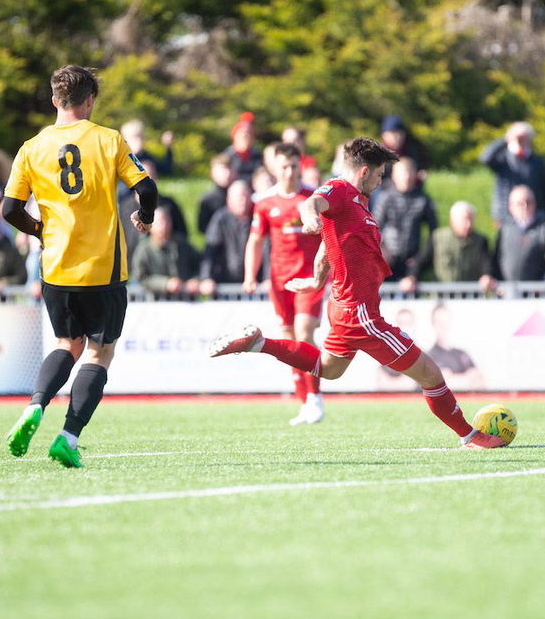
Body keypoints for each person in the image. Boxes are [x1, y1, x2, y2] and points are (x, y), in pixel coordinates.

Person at [209, 136, 506, 449]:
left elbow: (328, 244)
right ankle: (470, 435)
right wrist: (310, 218)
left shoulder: (357, 202)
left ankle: (259, 343)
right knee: (430, 374)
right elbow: (311, 204)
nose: (380, 182)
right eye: (379, 175)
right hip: (360, 314)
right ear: (364, 172)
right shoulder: (339, 189)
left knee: (328, 369)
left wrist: (316, 279)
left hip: (345, 307)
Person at [1, 64, 158, 468]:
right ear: (90, 101)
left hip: (57, 266)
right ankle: (68, 436)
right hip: (103, 267)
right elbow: (146, 187)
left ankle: (36, 405)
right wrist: (146, 218)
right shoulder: (108, 139)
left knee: (66, 344)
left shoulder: (31, 147)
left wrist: (39, 231)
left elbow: (9, 209)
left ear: (55, 100)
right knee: (99, 352)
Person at [243, 143, 325, 425]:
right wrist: (250, 276)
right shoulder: (265, 202)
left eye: (293, 166)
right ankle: (303, 401)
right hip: (280, 282)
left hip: (310, 279)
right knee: (289, 340)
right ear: (274, 169)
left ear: (300, 166)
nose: (289, 172)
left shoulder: (313, 198)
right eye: (284, 167)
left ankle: (315, 397)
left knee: (304, 332)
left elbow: (330, 236)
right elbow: (256, 240)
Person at [372, 156, 436, 293]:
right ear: (394, 176)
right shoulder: (385, 198)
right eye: (402, 173)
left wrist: (419, 260)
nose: (406, 177)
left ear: (415, 175)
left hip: (412, 263)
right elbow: (374, 229)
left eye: (409, 172)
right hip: (387, 260)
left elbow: (434, 234)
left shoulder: (423, 200)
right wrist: (383, 251)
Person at [479, 185, 545, 294]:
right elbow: (496, 258)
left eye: (528, 202)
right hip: (508, 294)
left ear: (534, 204)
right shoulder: (504, 230)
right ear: (511, 207)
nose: (525, 206)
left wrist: (544, 283)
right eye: (520, 203)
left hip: (536, 294)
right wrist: (492, 279)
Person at [480, 121, 545, 222]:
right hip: (505, 214)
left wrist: (542, 212)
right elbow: (485, 157)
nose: (519, 140)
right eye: (517, 137)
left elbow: (543, 189)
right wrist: (505, 139)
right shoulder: (504, 158)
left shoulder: (537, 162)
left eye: (523, 137)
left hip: (531, 213)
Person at [199, 179, 256, 293]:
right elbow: (211, 249)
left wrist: (267, 278)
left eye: (246, 196)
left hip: (255, 283)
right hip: (224, 281)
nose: (243, 201)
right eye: (239, 197)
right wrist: (206, 278)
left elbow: (266, 249)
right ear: (229, 200)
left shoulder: (258, 217)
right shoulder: (220, 219)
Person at [131, 207, 201, 298]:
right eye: (160, 222)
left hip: (185, 300)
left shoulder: (183, 245)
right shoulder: (143, 250)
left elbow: (201, 264)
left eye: (167, 221)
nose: (164, 225)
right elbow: (141, 277)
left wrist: (195, 280)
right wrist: (165, 283)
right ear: (150, 225)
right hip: (154, 301)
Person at [427, 304, 485, 390]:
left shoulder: (462, 354)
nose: (444, 326)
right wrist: (468, 377)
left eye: (446, 322)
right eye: (439, 323)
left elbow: (481, 382)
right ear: (433, 324)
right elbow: (443, 385)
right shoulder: (429, 357)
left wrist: (453, 378)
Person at [432, 201, 490, 283]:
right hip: (443, 290)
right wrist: (413, 276)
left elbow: (486, 263)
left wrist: (487, 276)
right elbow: (422, 261)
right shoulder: (438, 238)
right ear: (452, 220)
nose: (468, 225)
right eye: (464, 219)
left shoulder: (481, 240)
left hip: (470, 290)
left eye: (471, 220)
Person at [197, 153, 236, 235]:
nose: (227, 173)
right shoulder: (208, 200)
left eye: (229, 168)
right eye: (222, 170)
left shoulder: (243, 195)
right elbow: (202, 227)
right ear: (212, 173)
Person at [224, 112, 263, 181]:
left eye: (250, 134)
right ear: (235, 136)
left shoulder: (257, 155)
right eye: (243, 134)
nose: (247, 137)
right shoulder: (228, 155)